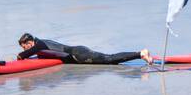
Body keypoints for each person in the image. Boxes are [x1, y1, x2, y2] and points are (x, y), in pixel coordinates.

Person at [16, 33, 153, 65]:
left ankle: (140, 53)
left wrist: (20, 56)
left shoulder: (39, 44)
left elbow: (24, 55)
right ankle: (140, 54)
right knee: (109, 59)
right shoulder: (41, 45)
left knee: (109, 59)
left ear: (29, 42)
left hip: (79, 54)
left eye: (25, 46)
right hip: (77, 53)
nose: (25, 48)